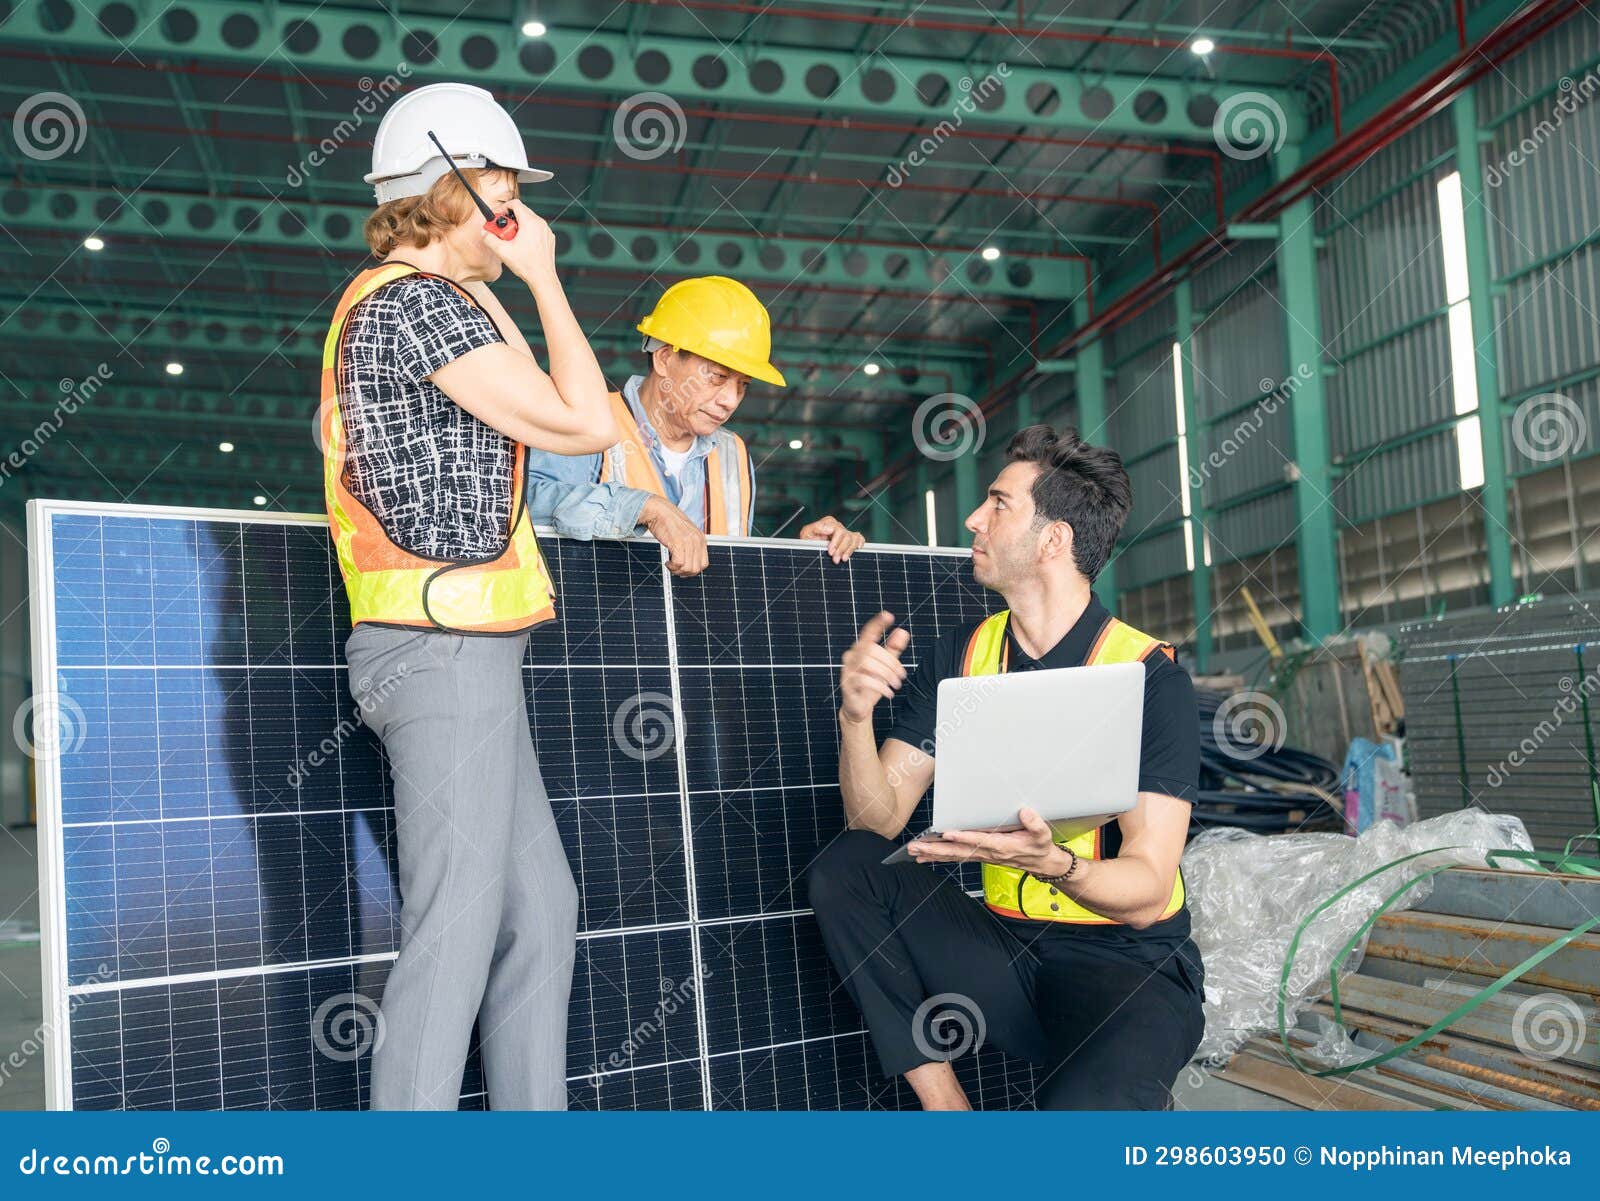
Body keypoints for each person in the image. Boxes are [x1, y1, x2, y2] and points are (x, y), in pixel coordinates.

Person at [320, 82, 617, 1109]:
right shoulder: (411, 305)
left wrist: (498, 275)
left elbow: (542, 400)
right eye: (504, 186)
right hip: (437, 651)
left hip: (467, 648)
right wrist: (542, 274)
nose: (519, 206)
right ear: (461, 188)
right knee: (454, 926)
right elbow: (586, 422)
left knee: (542, 909)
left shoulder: (434, 303)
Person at [807, 425, 1205, 1111]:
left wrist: (1058, 865)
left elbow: (1146, 886)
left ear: (1053, 541)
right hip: (1008, 956)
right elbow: (875, 821)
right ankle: (948, 1109)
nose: (973, 519)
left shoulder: (1148, 675)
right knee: (847, 865)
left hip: (1128, 970)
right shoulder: (963, 655)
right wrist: (856, 717)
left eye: (997, 503)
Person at [524, 275, 866, 576]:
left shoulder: (733, 453)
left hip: (699, 647)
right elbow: (523, 507)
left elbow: (727, 570)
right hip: (599, 643)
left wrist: (798, 555)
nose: (730, 400)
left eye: (743, 384)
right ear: (664, 358)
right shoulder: (588, 418)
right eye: (717, 377)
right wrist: (642, 507)